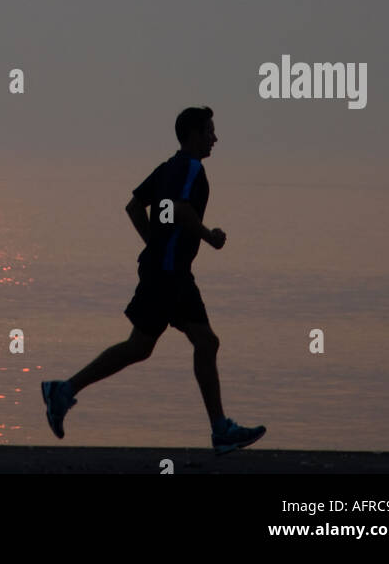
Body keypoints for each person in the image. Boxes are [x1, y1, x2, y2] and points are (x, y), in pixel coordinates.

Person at [41, 107, 266, 454]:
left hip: (164, 269)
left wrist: (155, 244)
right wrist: (209, 237)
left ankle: (65, 390)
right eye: (209, 132)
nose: (215, 138)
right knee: (197, 342)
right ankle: (220, 429)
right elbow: (178, 209)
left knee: (150, 345)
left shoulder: (167, 168)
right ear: (192, 134)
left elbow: (136, 207)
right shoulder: (190, 168)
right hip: (170, 274)